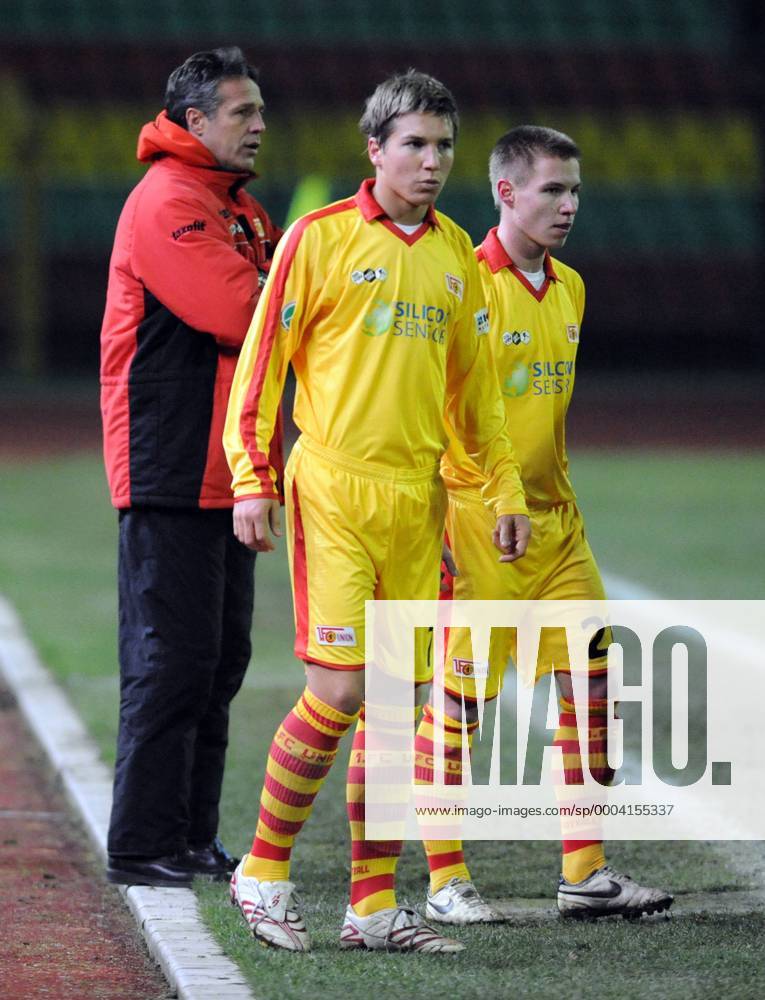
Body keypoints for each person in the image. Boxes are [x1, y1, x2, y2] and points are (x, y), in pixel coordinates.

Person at [223, 70, 531, 953]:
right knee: (340, 690)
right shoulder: (318, 238)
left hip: (416, 500)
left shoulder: (456, 258)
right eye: (414, 145)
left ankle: (370, 906)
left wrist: (503, 490)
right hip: (333, 487)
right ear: (375, 149)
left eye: (443, 146)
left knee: (394, 705)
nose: (431, 162)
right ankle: (262, 871)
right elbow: (262, 361)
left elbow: (475, 397)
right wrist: (250, 475)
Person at [415, 125, 674, 923]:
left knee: (594, 692)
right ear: (504, 192)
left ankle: (585, 874)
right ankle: (444, 880)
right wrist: (484, 502)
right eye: (551, 190)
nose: (568, 206)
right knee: (459, 704)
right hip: (479, 525)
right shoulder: (464, 284)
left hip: (558, 528)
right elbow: (448, 412)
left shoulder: (570, 288)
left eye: (574, 192)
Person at [100, 47, 282, 887]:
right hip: (169, 459)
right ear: (196, 120)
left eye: (259, 110)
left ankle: (190, 839)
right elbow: (242, 310)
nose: (259, 125)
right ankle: (142, 845)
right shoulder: (169, 199)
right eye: (243, 112)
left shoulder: (235, 206)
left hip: (227, 467)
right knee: (170, 662)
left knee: (216, 664)